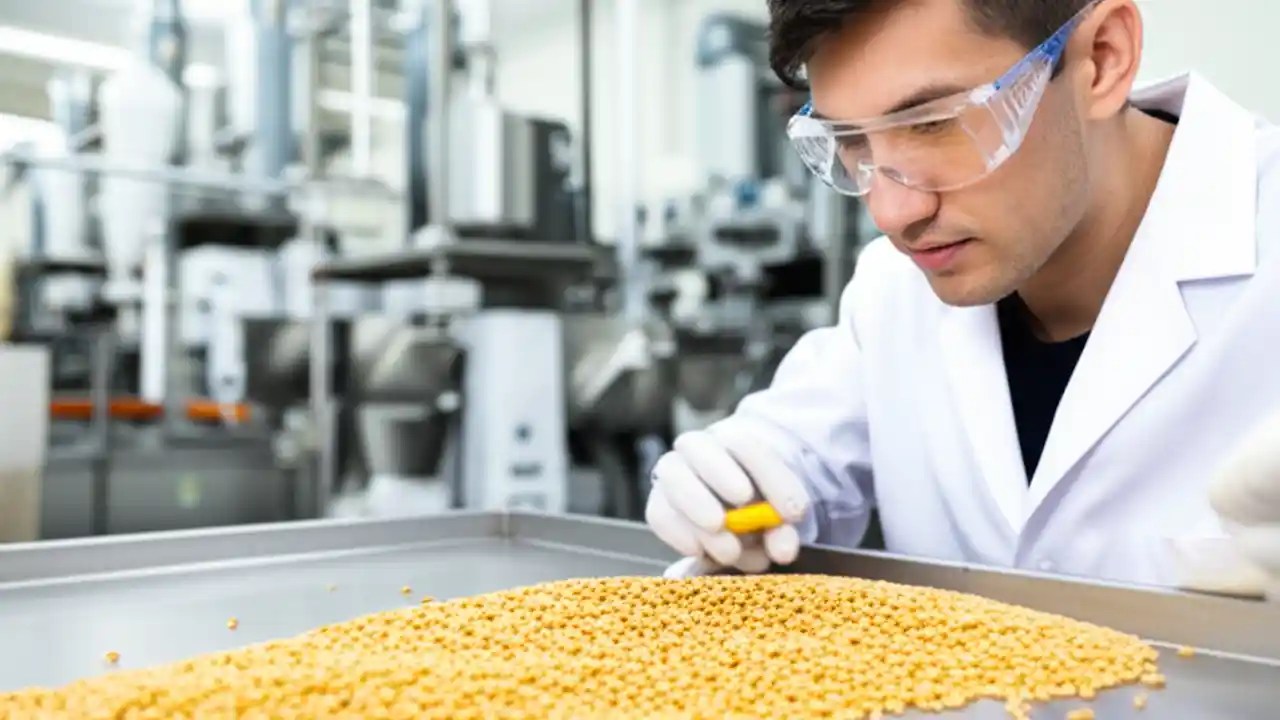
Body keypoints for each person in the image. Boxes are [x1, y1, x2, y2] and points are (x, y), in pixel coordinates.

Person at [645, 0, 1280, 596]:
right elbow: (798, 460)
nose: (892, 214)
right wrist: (736, 485)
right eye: (852, 141)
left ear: (1102, 58)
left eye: (934, 123)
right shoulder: (894, 289)